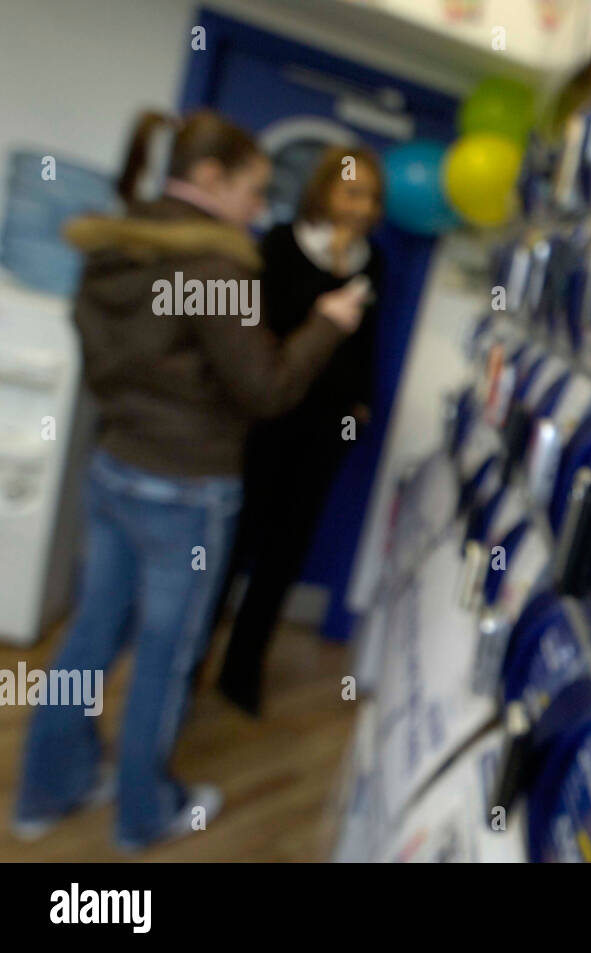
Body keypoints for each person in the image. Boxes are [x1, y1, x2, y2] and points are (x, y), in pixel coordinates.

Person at [12, 110, 368, 850]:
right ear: (209, 179)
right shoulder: (215, 267)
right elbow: (266, 388)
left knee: (91, 635)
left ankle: (48, 790)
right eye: (253, 190)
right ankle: (145, 814)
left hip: (116, 467)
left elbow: (124, 351)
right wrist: (329, 319)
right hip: (186, 490)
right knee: (166, 661)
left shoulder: (116, 241)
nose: (260, 210)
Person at [216, 145, 385, 716]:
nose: (362, 207)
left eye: (371, 196)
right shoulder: (283, 244)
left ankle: (242, 671)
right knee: (231, 543)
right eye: (351, 192)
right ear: (324, 191)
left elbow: (364, 343)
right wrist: (330, 273)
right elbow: (266, 331)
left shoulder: (374, 262)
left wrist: (359, 403)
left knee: (285, 553)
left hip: (325, 431)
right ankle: (189, 660)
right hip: (269, 418)